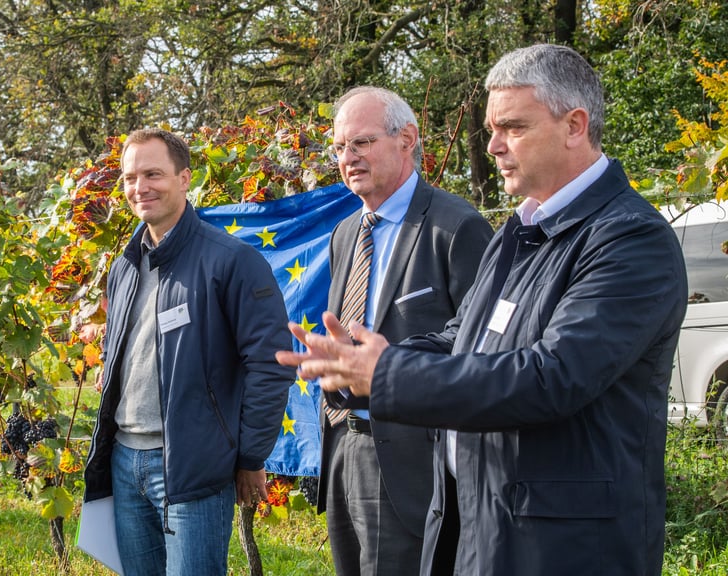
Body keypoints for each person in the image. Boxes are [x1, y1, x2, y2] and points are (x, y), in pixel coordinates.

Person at [278, 44, 688, 576]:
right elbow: (462, 336)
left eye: (512, 127)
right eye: (493, 129)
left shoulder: (629, 239)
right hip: (478, 523)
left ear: (575, 125)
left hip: (563, 544)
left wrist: (389, 373)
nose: (492, 146)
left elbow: (552, 376)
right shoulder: (521, 231)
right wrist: (367, 359)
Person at [82, 128, 293, 575]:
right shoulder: (124, 266)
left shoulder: (232, 261)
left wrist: (251, 456)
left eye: (153, 174)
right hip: (124, 458)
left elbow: (269, 365)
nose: (140, 188)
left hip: (193, 465)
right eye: (129, 177)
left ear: (184, 178)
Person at [318, 86, 492, 575]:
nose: (347, 158)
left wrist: (390, 364)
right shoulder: (346, 232)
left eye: (362, 143)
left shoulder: (457, 227)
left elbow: (478, 344)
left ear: (407, 139)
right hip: (342, 447)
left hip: (414, 459)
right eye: (339, 148)